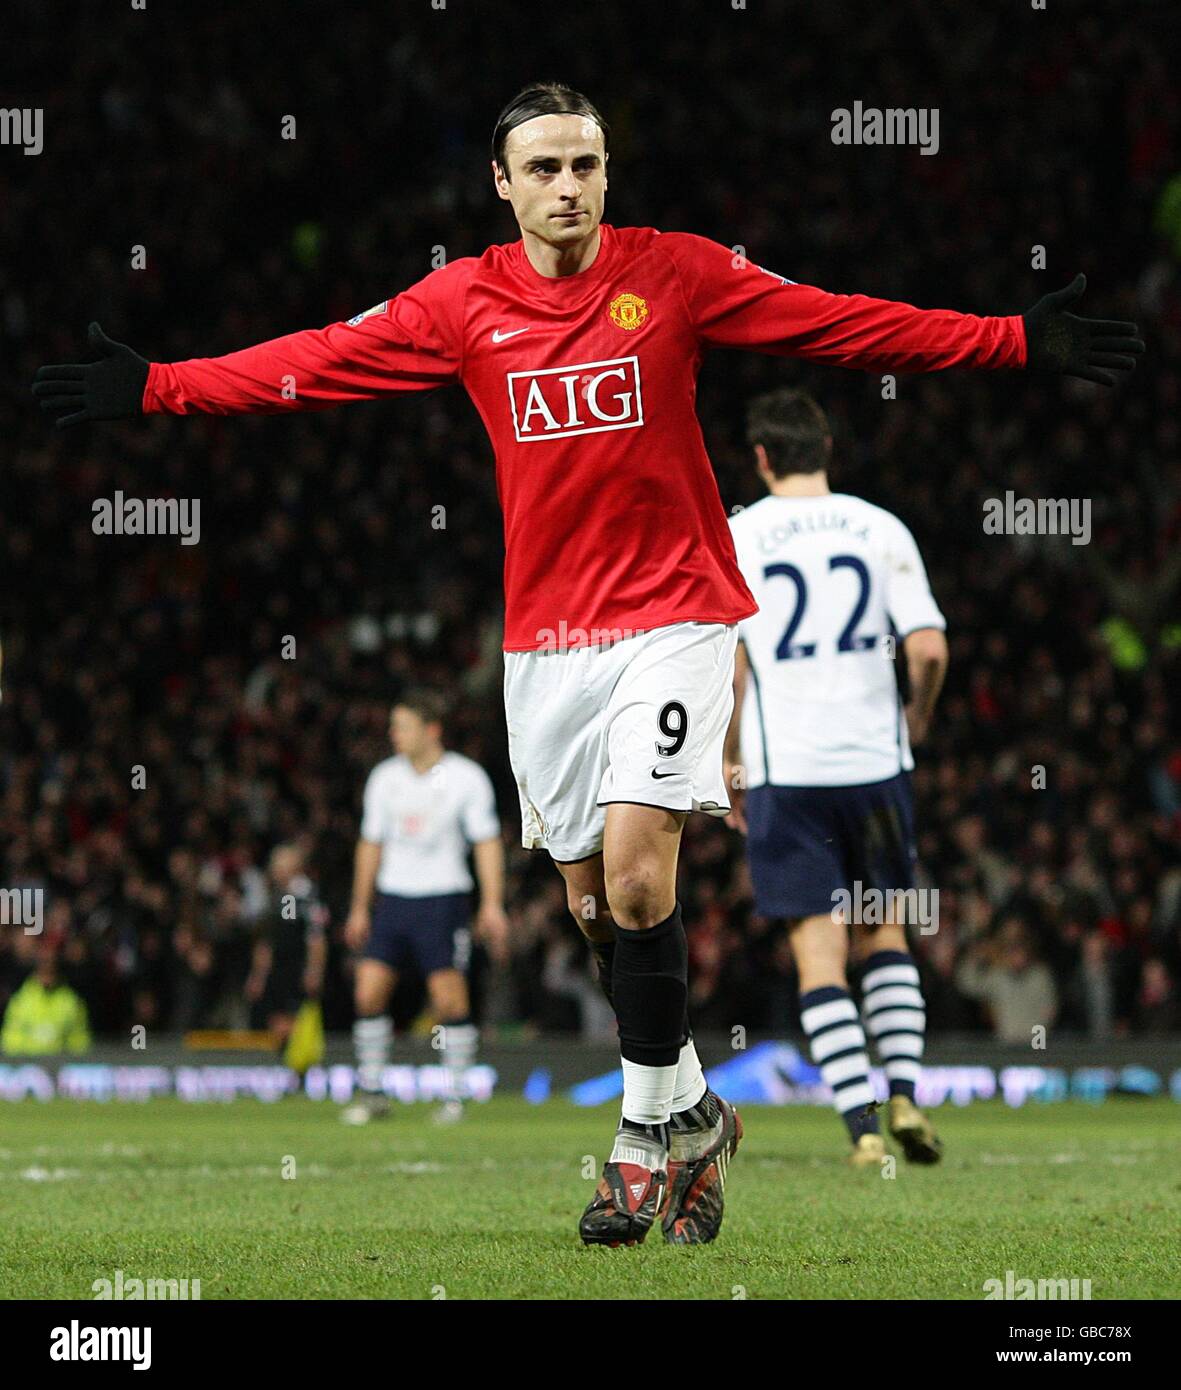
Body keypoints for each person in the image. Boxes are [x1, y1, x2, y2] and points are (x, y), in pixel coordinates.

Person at [33, 80, 1142, 1243]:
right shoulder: (459, 302)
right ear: (501, 185)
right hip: (546, 644)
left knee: (641, 877)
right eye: (545, 169)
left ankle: (633, 1144)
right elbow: (316, 359)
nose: (568, 187)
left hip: (671, 615)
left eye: (587, 164)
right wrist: (161, 386)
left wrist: (1010, 339)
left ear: (607, 172)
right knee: (592, 906)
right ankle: (696, 1110)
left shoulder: (676, 273)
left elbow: (838, 321)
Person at [725, 388, 946, 1167]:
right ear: (826, 449)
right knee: (884, 932)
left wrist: (727, 762)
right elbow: (926, 650)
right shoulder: (879, 527)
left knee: (818, 956)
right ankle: (907, 1095)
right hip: (874, 766)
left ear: (759, 457)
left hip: (789, 771)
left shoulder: (738, 535)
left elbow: (730, 664)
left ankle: (859, 1134)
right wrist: (913, 717)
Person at [342, 691, 508, 1126]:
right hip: (394, 899)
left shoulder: (466, 777)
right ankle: (374, 1092)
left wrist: (491, 903)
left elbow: (486, 842)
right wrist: (360, 907)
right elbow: (370, 844)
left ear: (430, 730)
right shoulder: (384, 778)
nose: (393, 734)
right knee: (368, 992)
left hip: (444, 898)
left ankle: (455, 1097)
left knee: (449, 1001)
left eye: (402, 726)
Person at [245, 844, 328, 1052]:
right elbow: (272, 937)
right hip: (280, 969)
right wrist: (260, 974)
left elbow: (312, 936)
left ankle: (296, 1067)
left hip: (294, 968)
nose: (275, 871)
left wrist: (313, 969)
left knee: (291, 1022)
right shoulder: (282, 895)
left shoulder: (300, 895)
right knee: (276, 1020)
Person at [1, 952, 91, 1055]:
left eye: (50, 971)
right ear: (35, 970)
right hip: (27, 1064)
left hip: (60, 1064)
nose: (47, 977)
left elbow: (79, 1039)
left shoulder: (71, 1001)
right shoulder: (20, 1000)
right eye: (43, 969)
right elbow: (10, 1037)